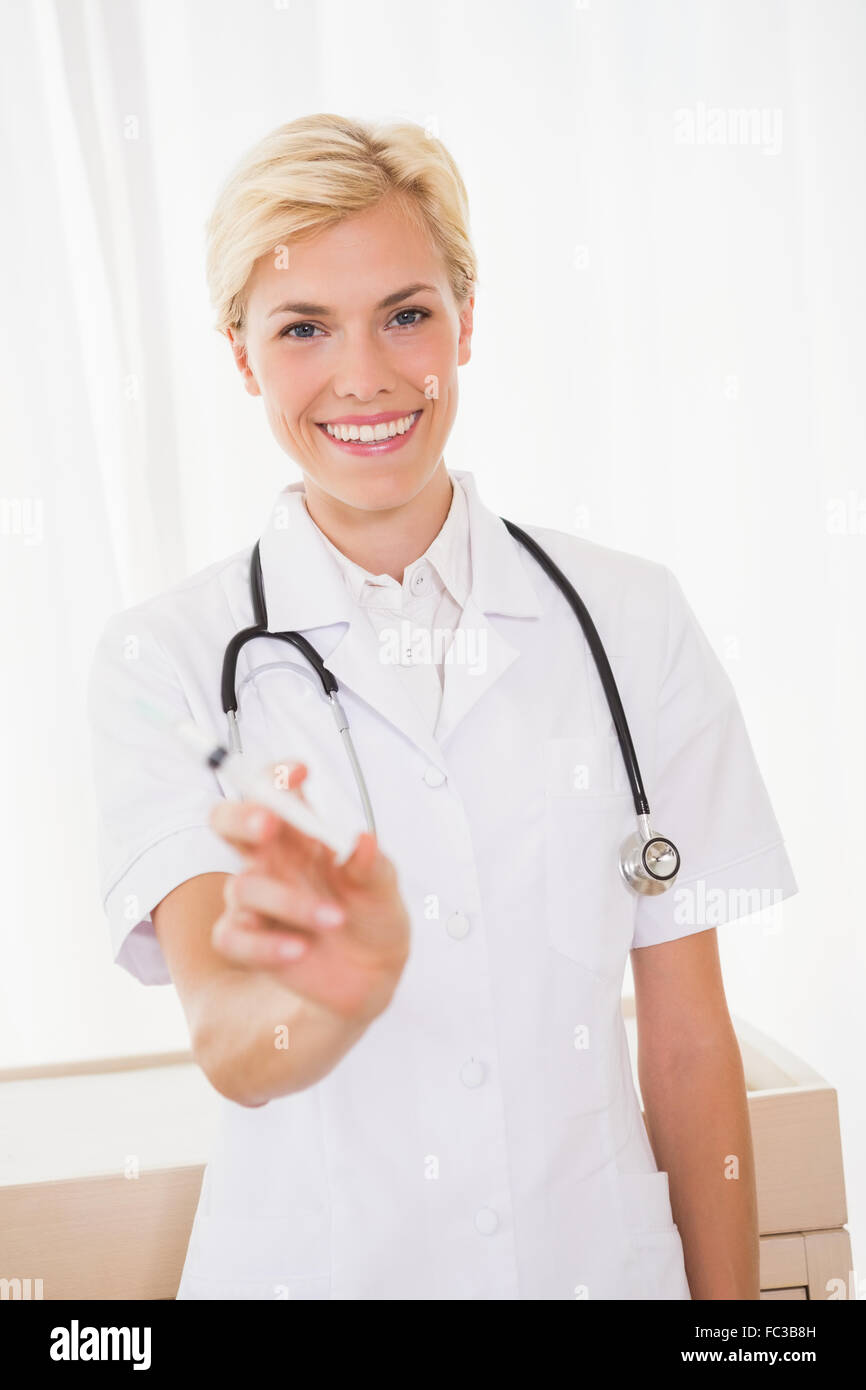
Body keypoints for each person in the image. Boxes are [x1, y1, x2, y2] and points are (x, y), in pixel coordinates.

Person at [86, 113, 799, 1301]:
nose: (363, 374)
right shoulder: (165, 662)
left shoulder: (629, 618)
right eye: (302, 327)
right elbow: (234, 1045)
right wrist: (340, 987)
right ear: (241, 354)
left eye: (405, 313)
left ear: (465, 319)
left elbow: (684, 1042)